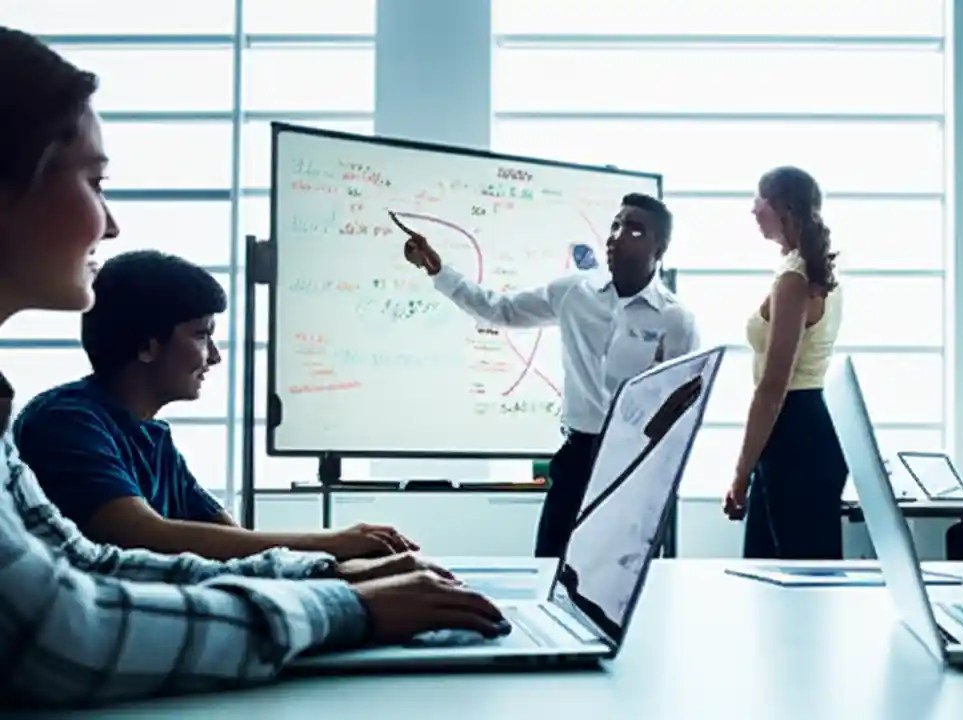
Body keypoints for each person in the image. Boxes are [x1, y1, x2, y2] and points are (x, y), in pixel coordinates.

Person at [0, 27, 504, 708]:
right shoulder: (65, 419)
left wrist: (333, 572)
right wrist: (346, 601)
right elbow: (66, 626)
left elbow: (102, 563)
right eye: (94, 182)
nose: (110, 224)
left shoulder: (121, 437)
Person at [14, 249, 417, 561]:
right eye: (202, 335)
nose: (215, 356)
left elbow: (234, 544)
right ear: (146, 344)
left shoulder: (155, 439)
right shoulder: (64, 420)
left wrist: (368, 571)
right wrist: (333, 543)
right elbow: (141, 536)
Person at [393, 194, 699, 558]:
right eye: (615, 225)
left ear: (659, 249)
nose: (616, 236)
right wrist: (438, 270)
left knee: (619, 575)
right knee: (550, 565)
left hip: (633, 460)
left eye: (634, 230)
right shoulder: (575, 292)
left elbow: (684, 403)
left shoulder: (675, 319)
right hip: (578, 454)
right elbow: (499, 312)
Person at [721, 167, 848, 559]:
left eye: (759, 200)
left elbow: (773, 387)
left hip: (794, 433)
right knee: (780, 575)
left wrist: (740, 476)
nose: (753, 210)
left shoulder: (794, 280)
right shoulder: (810, 272)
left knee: (794, 580)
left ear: (782, 207)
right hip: (802, 430)